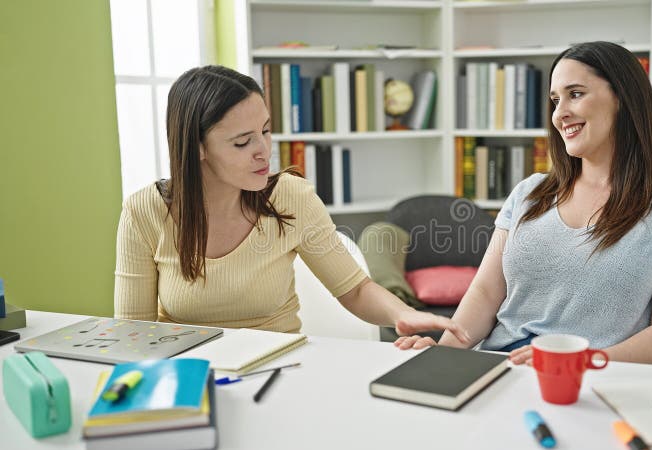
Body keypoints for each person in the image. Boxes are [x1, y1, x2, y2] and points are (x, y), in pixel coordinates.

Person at [395, 41, 652, 365]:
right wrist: (441, 356)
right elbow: (485, 294)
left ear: (622, 98)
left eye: (575, 94)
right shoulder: (530, 193)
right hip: (507, 368)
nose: (560, 113)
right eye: (555, 100)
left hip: (602, 378)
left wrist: (582, 361)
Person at [114, 65, 468, 343]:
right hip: (190, 378)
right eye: (242, 142)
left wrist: (401, 314)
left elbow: (356, 289)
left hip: (278, 371)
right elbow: (135, 335)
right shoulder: (144, 212)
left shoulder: (290, 196)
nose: (264, 151)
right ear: (197, 147)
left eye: (266, 131)